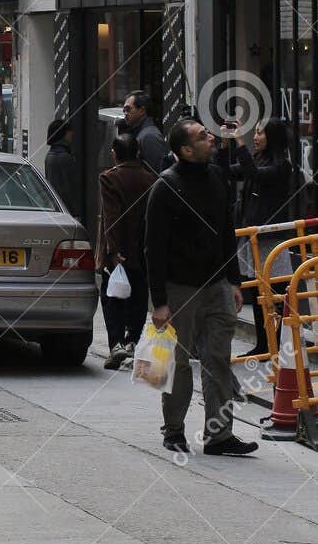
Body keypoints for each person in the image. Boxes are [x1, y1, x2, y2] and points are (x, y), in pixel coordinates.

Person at [146, 118, 256, 457]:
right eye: (202, 136)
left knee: (218, 360)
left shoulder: (217, 176)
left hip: (217, 285)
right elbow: (153, 248)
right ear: (186, 149)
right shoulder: (165, 187)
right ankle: (174, 430)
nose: (210, 137)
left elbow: (226, 232)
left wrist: (235, 281)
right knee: (178, 362)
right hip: (179, 289)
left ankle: (219, 435)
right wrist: (159, 302)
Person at [96, 132, 157, 369]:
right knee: (138, 296)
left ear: (114, 154)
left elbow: (112, 216)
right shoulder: (150, 179)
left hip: (118, 249)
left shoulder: (109, 178)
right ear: (138, 152)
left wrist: (113, 251)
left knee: (112, 296)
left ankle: (116, 345)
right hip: (142, 249)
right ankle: (132, 340)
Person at [238, 119, 295, 357]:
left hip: (272, 239)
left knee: (277, 293)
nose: (255, 136)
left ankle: (278, 344)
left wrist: (239, 142)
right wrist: (223, 146)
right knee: (257, 293)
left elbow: (254, 174)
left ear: (272, 137)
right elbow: (229, 171)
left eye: (260, 132)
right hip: (253, 236)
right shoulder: (258, 159)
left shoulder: (282, 166)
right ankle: (263, 344)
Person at [122, 92, 170, 175]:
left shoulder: (149, 136)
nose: (125, 114)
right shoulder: (143, 133)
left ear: (142, 110)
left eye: (128, 109)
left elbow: (158, 175)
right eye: (124, 111)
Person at [43, 118, 80, 217]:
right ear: (63, 133)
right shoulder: (64, 157)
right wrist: (75, 211)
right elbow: (71, 187)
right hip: (66, 210)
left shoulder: (49, 156)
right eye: (69, 131)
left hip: (55, 207)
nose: (72, 133)